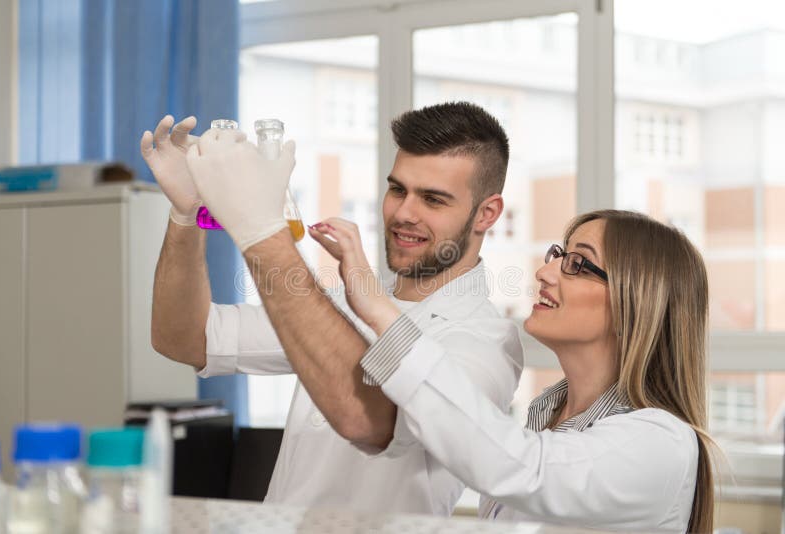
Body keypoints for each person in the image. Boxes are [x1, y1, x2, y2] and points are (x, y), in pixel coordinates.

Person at [143, 102, 524, 515]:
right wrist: (186, 215)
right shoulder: (344, 301)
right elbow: (184, 338)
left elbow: (368, 421)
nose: (403, 213)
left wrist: (261, 228)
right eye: (398, 189)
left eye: (433, 199)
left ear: (487, 213)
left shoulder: (486, 342)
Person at [310, 209, 714, 532]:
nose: (545, 271)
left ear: (636, 302)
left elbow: (518, 467)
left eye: (577, 263)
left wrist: (379, 309)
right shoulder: (545, 416)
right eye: (559, 254)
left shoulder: (661, 443)